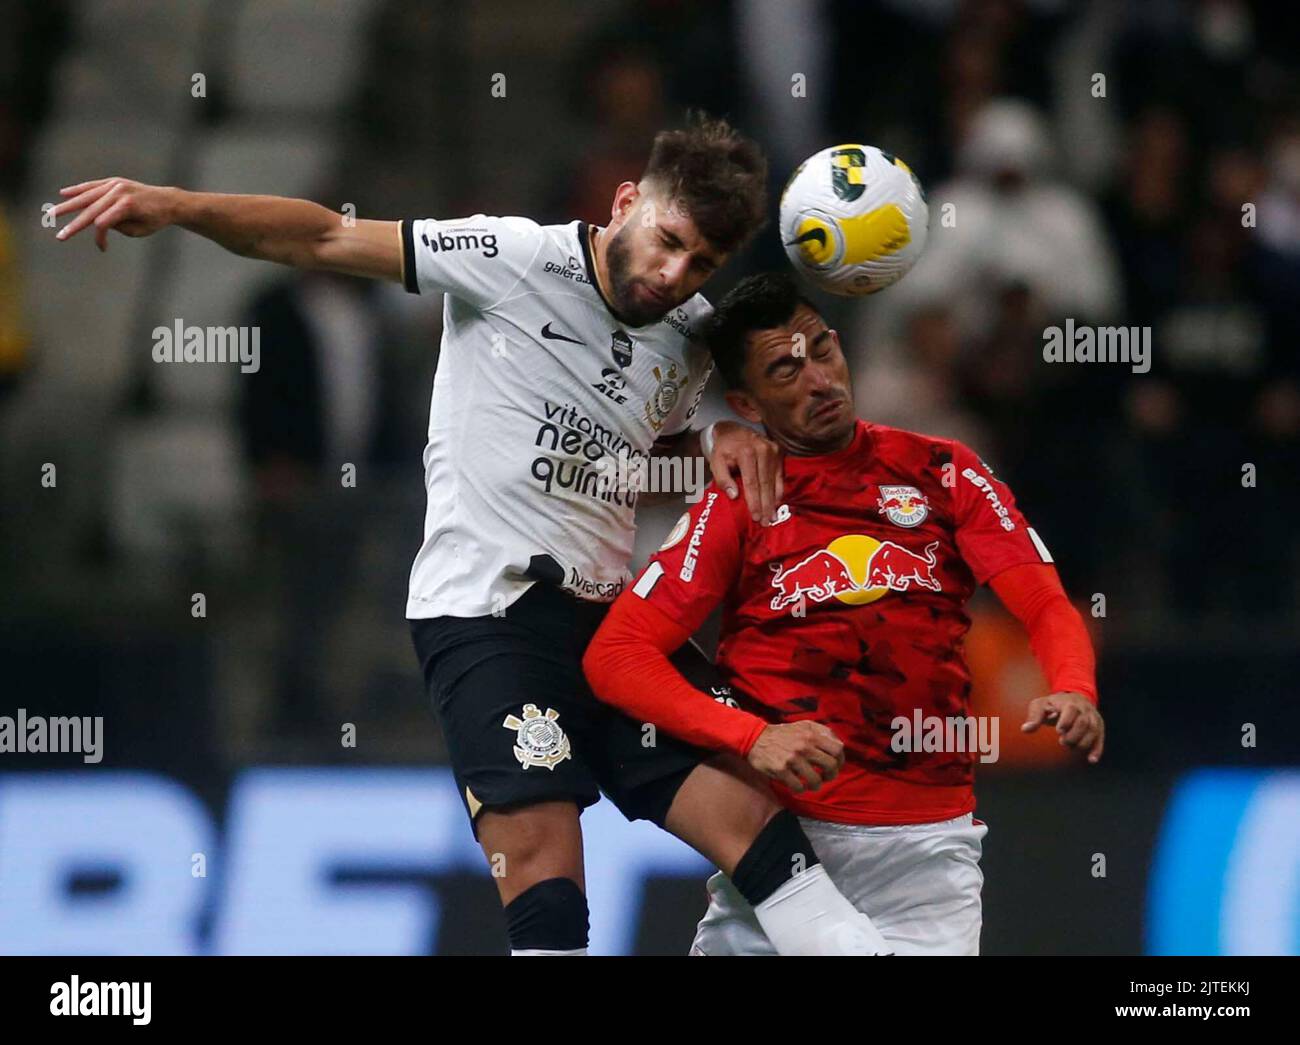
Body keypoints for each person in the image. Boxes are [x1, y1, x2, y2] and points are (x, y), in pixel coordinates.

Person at [51, 114, 893, 956]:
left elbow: (635, 441)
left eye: (701, 261)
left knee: (762, 827)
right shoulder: (510, 258)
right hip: (488, 614)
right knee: (549, 883)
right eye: (667, 240)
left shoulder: (690, 335)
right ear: (627, 201)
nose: (674, 273)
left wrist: (712, 439)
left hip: (612, 625)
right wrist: (174, 203)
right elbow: (323, 236)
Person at [583, 271, 1104, 955]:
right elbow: (615, 656)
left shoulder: (944, 471)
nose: (820, 379)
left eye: (822, 350)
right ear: (746, 402)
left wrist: (1074, 683)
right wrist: (749, 736)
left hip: (926, 860)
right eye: (785, 370)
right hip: (787, 846)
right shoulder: (741, 499)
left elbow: (1041, 599)